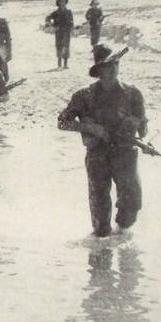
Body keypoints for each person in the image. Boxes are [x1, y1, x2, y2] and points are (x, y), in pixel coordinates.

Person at [57, 44, 148, 237]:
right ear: (99, 70)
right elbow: (62, 122)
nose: (114, 68)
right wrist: (89, 127)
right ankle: (102, 249)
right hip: (98, 154)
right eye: (108, 65)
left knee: (131, 204)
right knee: (100, 213)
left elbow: (144, 130)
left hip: (125, 154)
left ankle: (123, 238)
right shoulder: (84, 95)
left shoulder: (133, 93)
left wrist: (136, 124)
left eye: (116, 63)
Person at [46, 0, 75, 69]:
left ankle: (65, 64)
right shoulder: (55, 13)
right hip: (59, 32)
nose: (63, 3)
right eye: (61, 1)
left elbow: (72, 22)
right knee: (59, 46)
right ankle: (59, 63)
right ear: (58, 3)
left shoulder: (69, 12)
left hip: (67, 31)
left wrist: (72, 29)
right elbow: (47, 19)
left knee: (66, 46)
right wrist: (53, 26)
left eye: (64, 1)